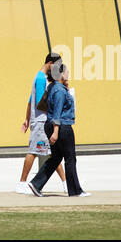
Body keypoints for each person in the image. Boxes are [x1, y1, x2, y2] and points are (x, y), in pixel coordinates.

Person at [25, 62, 88, 197]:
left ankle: (36, 183)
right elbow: (57, 113)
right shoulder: (59, 90)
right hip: (62, 126)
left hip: (53, 125)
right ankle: (75, 190)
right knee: (70, 158)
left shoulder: (53, 87)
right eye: (66, 73)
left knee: (56, 158)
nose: (68, 75)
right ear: (60, 74)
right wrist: (55, 132)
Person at [17, 52, 65, 194]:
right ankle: (22, 183)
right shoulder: (41, 79)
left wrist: (26, 119)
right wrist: (54, 106)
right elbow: (38, 102)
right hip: (41, 121)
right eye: (56, 66)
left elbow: (30, 101)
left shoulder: (39, 77)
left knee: (51, 152)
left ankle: (65, 182)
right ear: (50, 63)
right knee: (36, 152)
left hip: (38, 120)